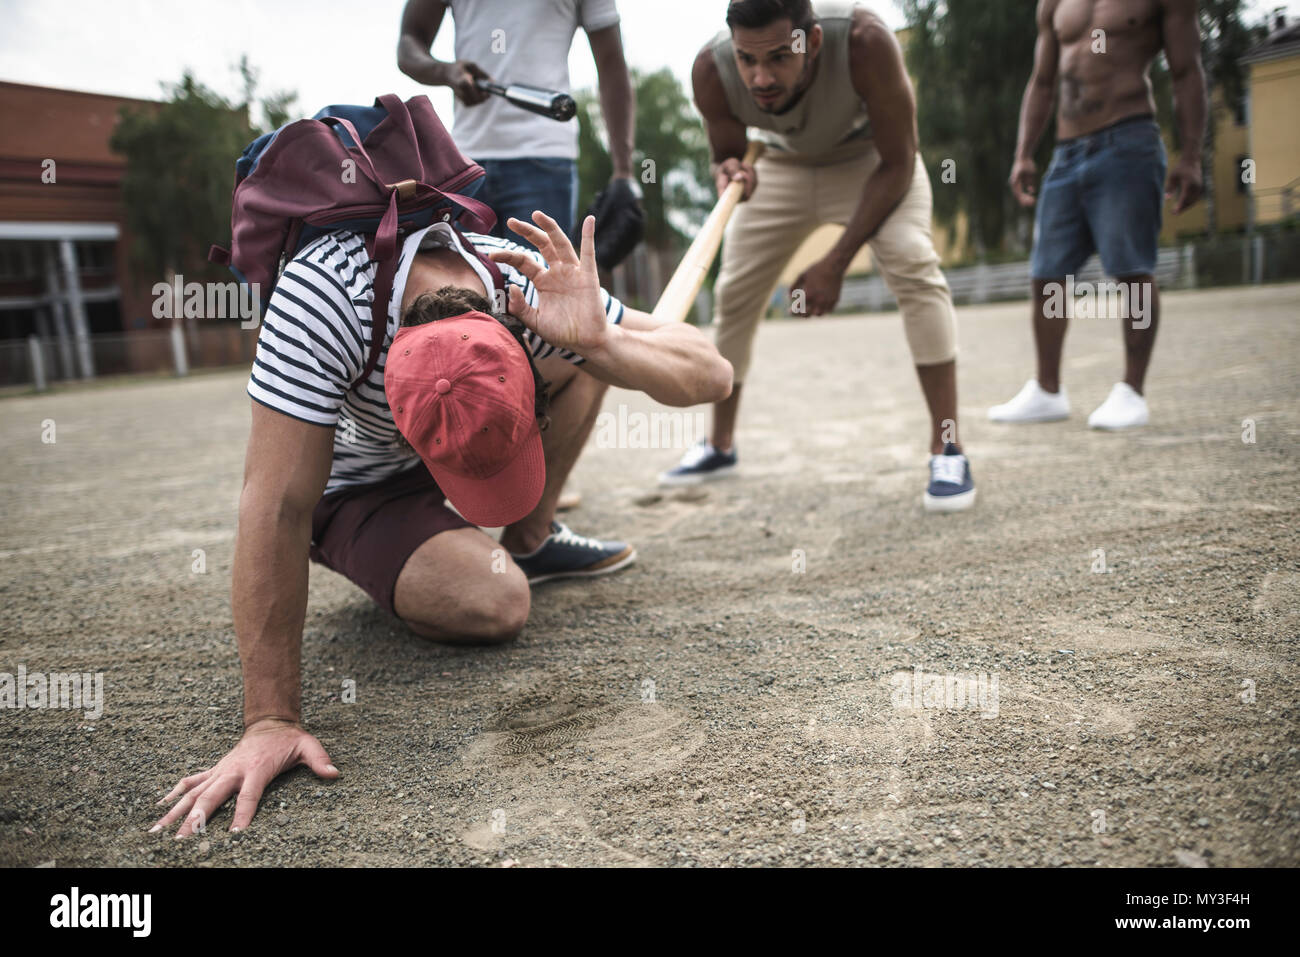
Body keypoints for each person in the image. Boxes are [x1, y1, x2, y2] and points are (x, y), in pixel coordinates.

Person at [149, 212, 732, 837]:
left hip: (430, 437)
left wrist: (601, 342)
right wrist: (269, 721)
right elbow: (274, 506)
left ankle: (532, 539)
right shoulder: (321, 301)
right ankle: (388, 537)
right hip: (354, 486)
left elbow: (713, 372)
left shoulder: (523, 285)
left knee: (590, 360)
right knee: (496, 601)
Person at [659, 0, 975, 513]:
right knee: (734, 290)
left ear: (814, 42)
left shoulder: (865, 41)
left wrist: (835, 261)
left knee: (915, 263)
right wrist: (727, 169)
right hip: (781, 164)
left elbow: (899, 162)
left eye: (780, 57)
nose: (760, 77)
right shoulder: (710, 70)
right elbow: (726, 154)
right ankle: (719, 446)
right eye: (747, 59)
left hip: (872, 161)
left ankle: (948, 448)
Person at [989, 0, 1207, 430]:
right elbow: (1042, 81)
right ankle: (1048, 390)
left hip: (1128, 140)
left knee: (1132, 269)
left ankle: (1131, 391)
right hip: (1067, 151)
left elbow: (1187, 70)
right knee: (1047, 274)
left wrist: (1193, 156)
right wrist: (1024, 154)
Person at [397, 0, 637, 248]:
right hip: (466, 167)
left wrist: (624, 172)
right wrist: (444, 72)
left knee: (540, 286)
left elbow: (611, 64)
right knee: (468, 286)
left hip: (545, 161)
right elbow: (409, 42)